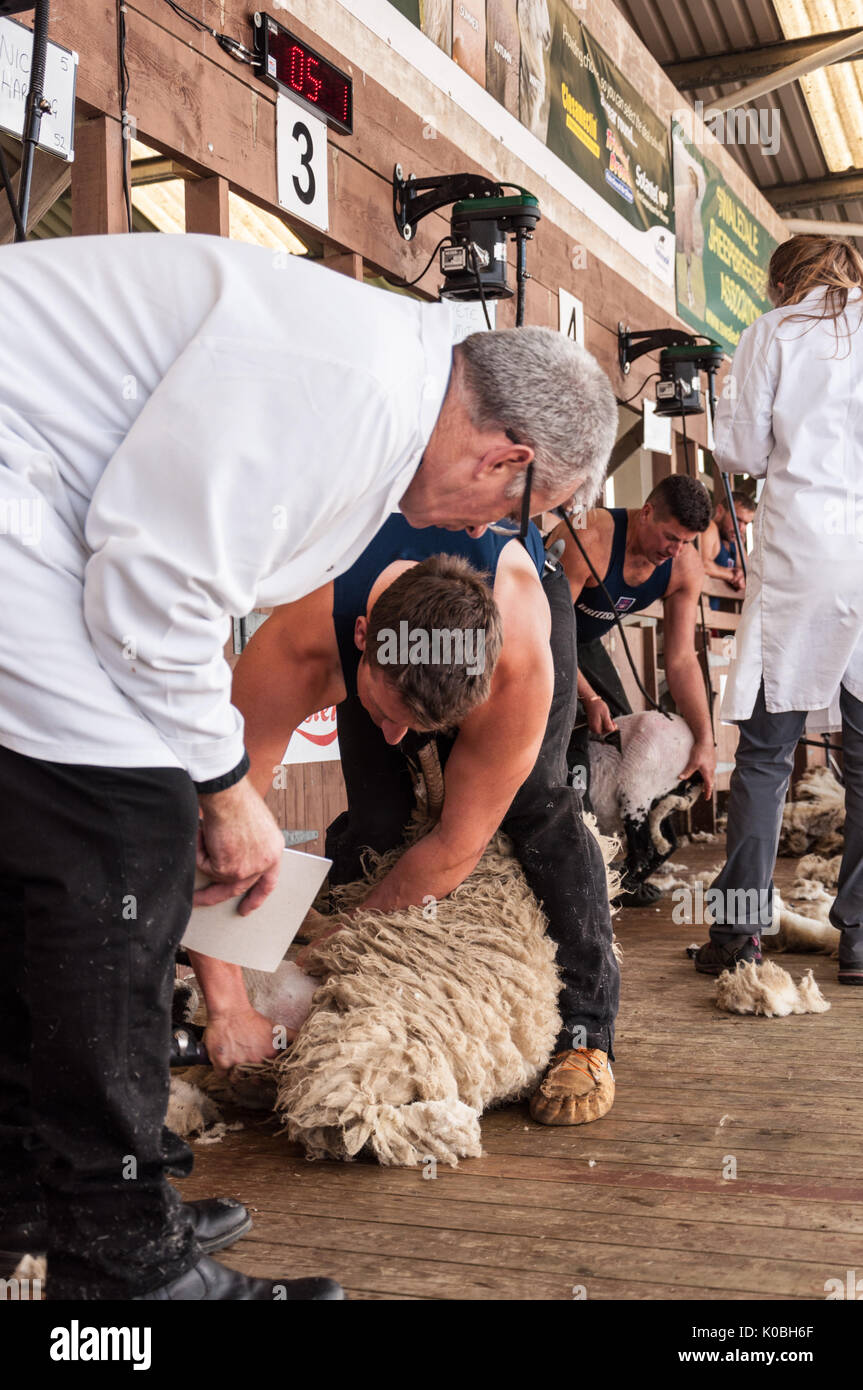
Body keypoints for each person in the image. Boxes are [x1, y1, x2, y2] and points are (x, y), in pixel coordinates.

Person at [0, 232, 618, 1300]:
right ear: (505, 462)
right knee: (118, 840)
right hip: (34, 504)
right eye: (532, 515)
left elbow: (453, 843)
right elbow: (155, 587)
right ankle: (120, 1264)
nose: (504, 531)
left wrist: (318, 935)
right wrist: (227, 798)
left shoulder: (406, 447)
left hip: (58, 519)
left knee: (545, 811)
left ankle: (57, 1197)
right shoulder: (352, 401)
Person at [201, 513, 619, 1126]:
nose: (396, 734)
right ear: (364, 637)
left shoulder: (517, 666)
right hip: (379, 629)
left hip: (513, 594)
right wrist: (227, 1007)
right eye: (385, 708)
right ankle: (316, 985)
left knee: (538, 806)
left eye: (420, 727)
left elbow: (456, 845)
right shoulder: (299, 644)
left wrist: (348, 943)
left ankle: (587, 1033)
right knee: (380, 812)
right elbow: (212, 815)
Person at [693, 235, 863, 983]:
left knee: (764, 757)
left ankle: (738, 935)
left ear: (785, 279)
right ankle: (858, 940)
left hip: (801, 557)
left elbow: (736, 452)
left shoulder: (775, 329)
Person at [549, 475, 716, 901]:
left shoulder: (683, 565)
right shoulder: (587, 536)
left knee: (619, 750)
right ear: (645, 512)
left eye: (686, 542)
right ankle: (575, 879)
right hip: (537, 636)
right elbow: (551, 633)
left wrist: (706, 740)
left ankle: (619, 869)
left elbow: (680, 659)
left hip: (584, 643)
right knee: (570, 741)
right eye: (670, 537)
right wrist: (587, 697)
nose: (675, 550)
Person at [701, 490, 756, 610]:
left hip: (714, 619)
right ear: (720, 511)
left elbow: (750, 575)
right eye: (737, 520)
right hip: (696, 615)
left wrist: (740, 546)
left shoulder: (733, 542)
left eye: (746, 523)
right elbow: (701, 564)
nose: (741, 528)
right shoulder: (710, 528)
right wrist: (731, 575)